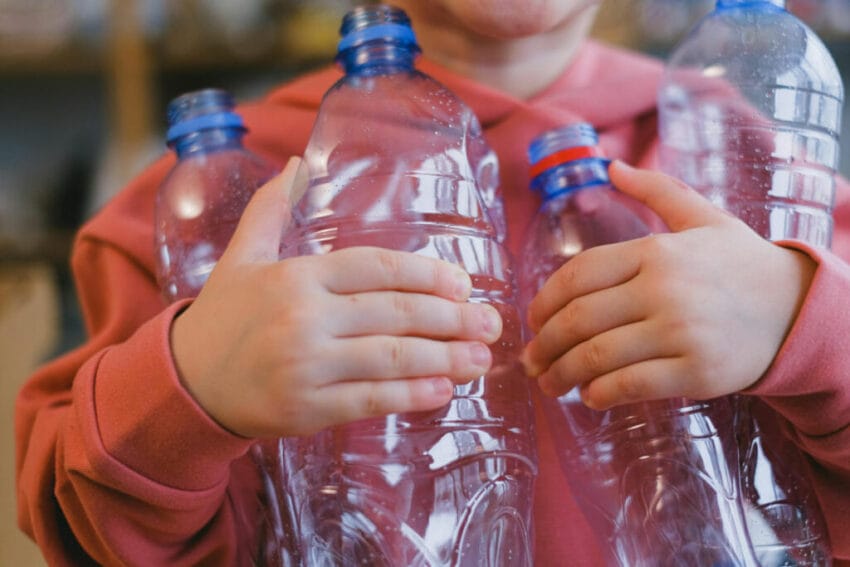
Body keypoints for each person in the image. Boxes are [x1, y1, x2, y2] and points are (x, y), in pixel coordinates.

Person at [14, 0, 850, 564]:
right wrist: (189, 391)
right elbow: (85, 526)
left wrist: (805, 327)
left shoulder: (761, 157)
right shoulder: (208, 200)